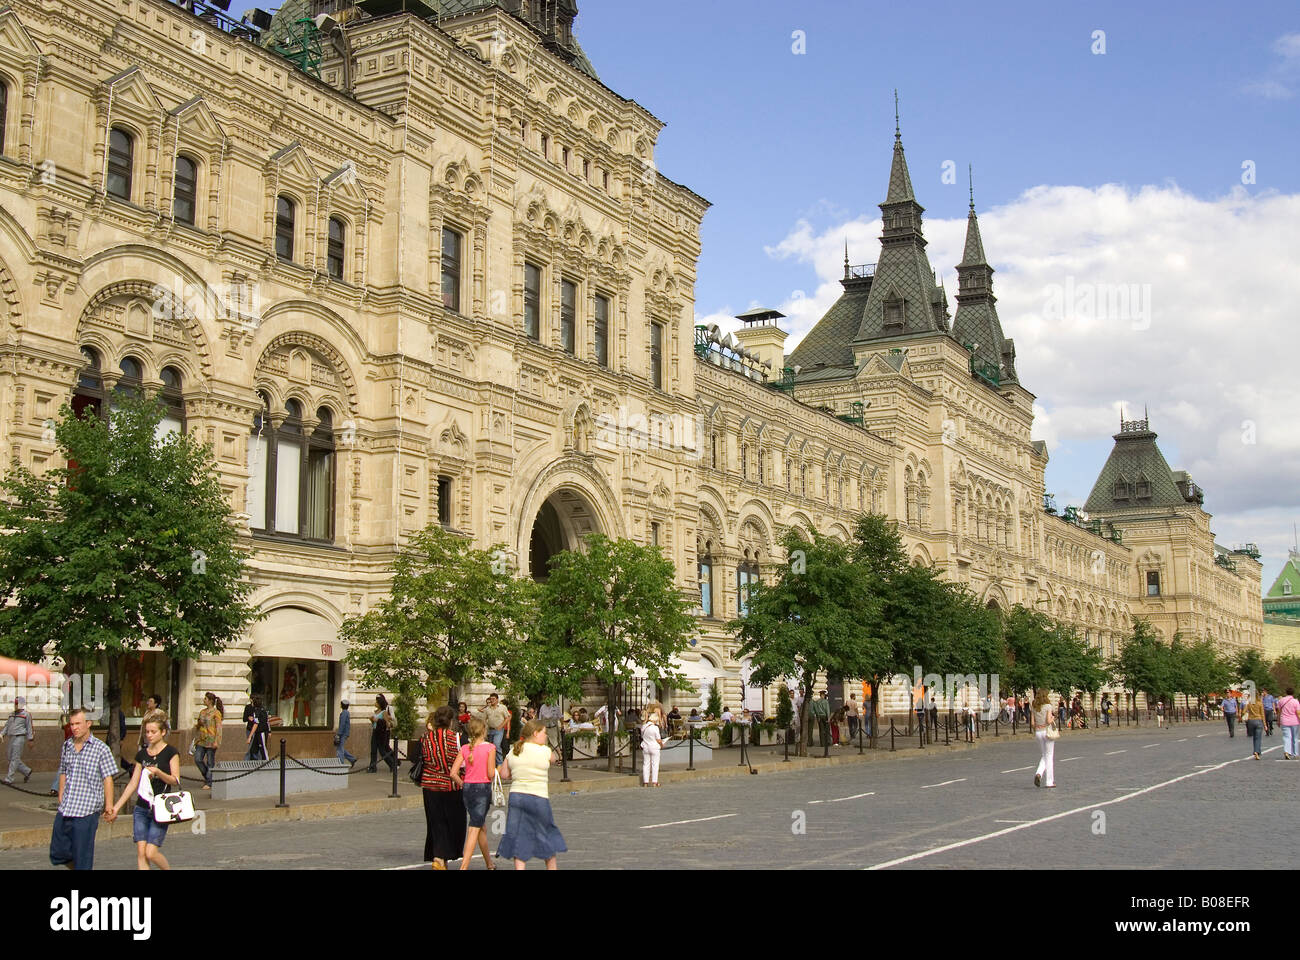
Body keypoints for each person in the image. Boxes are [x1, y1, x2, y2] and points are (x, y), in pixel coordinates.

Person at [49, 708, 118, 870]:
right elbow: (63, 771)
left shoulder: (101, 749)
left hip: (87, 810)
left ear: (88, 724)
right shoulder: (67, 746)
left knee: (82, 856)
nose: (74, 728)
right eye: (71, 724)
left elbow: (107, 778)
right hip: (67, 807)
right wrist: (61, 793)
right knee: (58, 852)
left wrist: (109, 805)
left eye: (78, 724)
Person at [109, 716, 181, 870]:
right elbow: (133, 784)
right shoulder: (142, 755)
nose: (149, 735)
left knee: (151, 853)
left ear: (163, 732)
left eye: (153, 732)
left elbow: (175, 780)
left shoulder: (171, 752)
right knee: (141, 853)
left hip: (161, 808)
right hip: (141, 807)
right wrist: (116, 807)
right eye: (147, 732)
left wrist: (158, 772)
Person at [496, 719, 566, 870]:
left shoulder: (514, 750)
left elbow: (504, 773)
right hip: (538, 796)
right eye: (544, 733)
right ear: (535, 733)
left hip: (517, 796)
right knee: (545, 832)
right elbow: (554, 759)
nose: (545, 736)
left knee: (519, 834)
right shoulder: (544, 751)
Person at [420, 706, 466, 870]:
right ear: (451, 721)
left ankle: (439, 857)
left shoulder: (425, 737)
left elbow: (422, 759)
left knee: (436, 822)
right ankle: (442, 857)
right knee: (453, 822)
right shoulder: (455, 738)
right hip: (451, 786)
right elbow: (460, 763)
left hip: (430, 785)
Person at [450, 717, 497, 870]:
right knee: (474, 827)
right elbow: (490, 773)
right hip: (482, 788)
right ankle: (464, 866)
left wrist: (463, 783)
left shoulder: (465, 748)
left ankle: (489, 863)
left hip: (468, 788)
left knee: (480, 825)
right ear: (484, 730)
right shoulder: (490, 748)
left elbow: (453, 773)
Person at [192, 692, 223, 790]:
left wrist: (216, 741)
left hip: (211, 739)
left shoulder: (216, 713)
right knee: (198, 759)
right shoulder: (202, 712)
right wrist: (198, 725)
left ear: (210, 701)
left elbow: (218, 728)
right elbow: (198, 725)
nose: (203, 700)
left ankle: (209, 782)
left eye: (205, 699)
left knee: (210, 761)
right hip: (201, 740)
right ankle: (208, 776)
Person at [2, 696, 35, 784]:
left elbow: (29, 728)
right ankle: (27, 771)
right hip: (11, 737)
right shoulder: (12, 714)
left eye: (17, 704)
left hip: (19, 737)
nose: (15, 706)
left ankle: (9, 778)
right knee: (10, 758)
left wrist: (30, 739)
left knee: (15, 758)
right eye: (15, 704)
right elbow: (7, 726)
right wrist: (2, 734)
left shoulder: (26, 714)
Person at [1032, 688, 1056, 789]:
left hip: (1038, 732)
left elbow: (1032, 723)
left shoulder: (1034, 707)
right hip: (1047, 732)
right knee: (1049, 756)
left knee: (1044, 755)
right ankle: (1049, 781)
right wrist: (1053, 718)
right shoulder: (1048, 706)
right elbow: (1048, 720)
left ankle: (1039, 773)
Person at [369, 694, 396, 773]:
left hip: (381, 733)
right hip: (375, 731)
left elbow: (386, 723)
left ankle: (392, 764)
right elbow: (373, 723)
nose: (375, 703)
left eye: (377, 702)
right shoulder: (376, 711)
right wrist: (372, 720)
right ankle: (372, 767)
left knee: (382, 751)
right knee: (373, 750)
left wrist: (378, 720)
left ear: (380, 703)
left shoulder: (384, 712)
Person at [479, 693, 509, 763]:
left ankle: (500, 762)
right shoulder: (487, 709)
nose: (492, 700)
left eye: (493, 699)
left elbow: (507, 717)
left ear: (497, 700)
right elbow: (484, 720)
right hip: (490, 729)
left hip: (499, 729)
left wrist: (501, 726)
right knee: (490, 746)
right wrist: (484, 730)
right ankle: (492, 762)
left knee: (496, 744)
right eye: (491, 699)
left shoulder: (502, 707)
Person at [641, 704, 664, 786]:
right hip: (654, 747)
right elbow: (658, 739)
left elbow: (642, 736)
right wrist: (662, 744)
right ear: (655, 720)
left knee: (646, 764)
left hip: (646, 747)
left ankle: (645, 782)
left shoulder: (644, 727)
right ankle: (654, 782)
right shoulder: (655, 728)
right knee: (655, 765)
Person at [1278, 688, 1300, 759]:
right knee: (1295, 738)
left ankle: (1287, 751)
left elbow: (1279, 712)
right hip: (1294, 721)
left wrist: (1278, 721)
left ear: (1286, 692)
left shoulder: (1281, 700)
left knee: (1286, 737)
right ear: (1293, 693)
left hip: (1284, 721)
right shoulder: (1295, 701)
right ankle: (1295, 754)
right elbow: (1298, 713)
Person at [246, 695, 270, 762]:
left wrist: (250, 736)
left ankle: (266, 762)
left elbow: (256, 724)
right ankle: (255, 763)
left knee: (263, 749)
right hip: (259, 732)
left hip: (261, 732)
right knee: (254, 749)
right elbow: (267, 721)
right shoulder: (263, 710)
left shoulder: (257, 711)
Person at [1242, 693, 1264, 760]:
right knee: (1258, 738)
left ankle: (1257, 751)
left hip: (1251, 721)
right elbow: (1262, 714)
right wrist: (1265, 725)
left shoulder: (1249, 704)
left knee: (1254, 737)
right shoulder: (1260, 703)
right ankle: (1257, 751)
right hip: (1258, 720)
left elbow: (1243, 711)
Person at [335, 700, 356, 766]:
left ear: (342, 705)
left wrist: (339, 733)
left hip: (343, 733)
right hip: (345, 733)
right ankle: (352, 759)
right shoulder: (346, 712)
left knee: (340, 748)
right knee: (340, 747)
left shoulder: (344, 713)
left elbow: (342, 724)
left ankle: (340, 763)